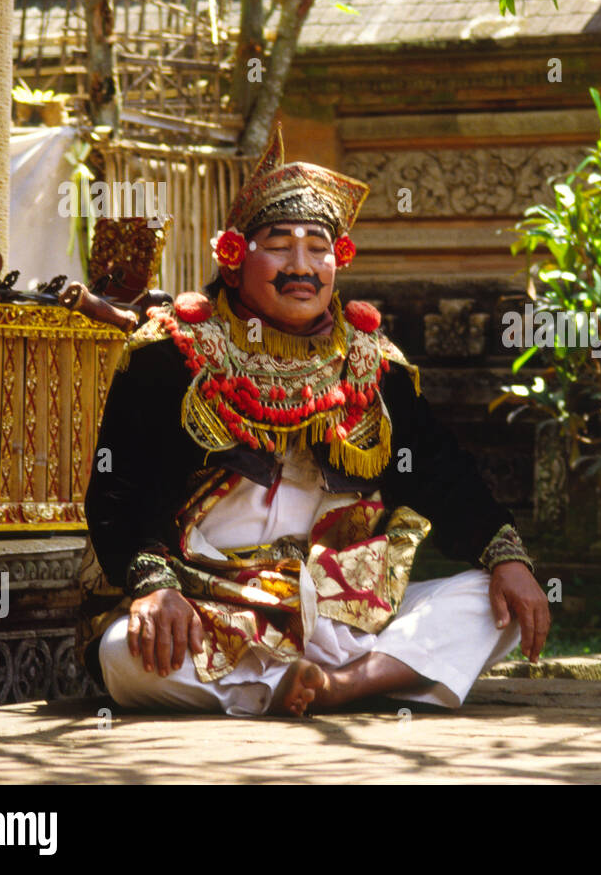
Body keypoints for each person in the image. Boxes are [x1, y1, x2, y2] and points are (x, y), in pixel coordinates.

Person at [77, 127, 550, 716]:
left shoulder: (375, 365)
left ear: (337, 261)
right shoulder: (170, 352)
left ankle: (339, 687)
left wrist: (505, 556)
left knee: (491, 602)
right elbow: (117, 487)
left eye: (318, 248)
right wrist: (154, 585)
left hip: (342, 610)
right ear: (232, 258)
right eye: (279, 244)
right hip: (207, 598)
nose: (302, 266)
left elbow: (443, 474)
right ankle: (286, 686)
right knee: (125, 653)